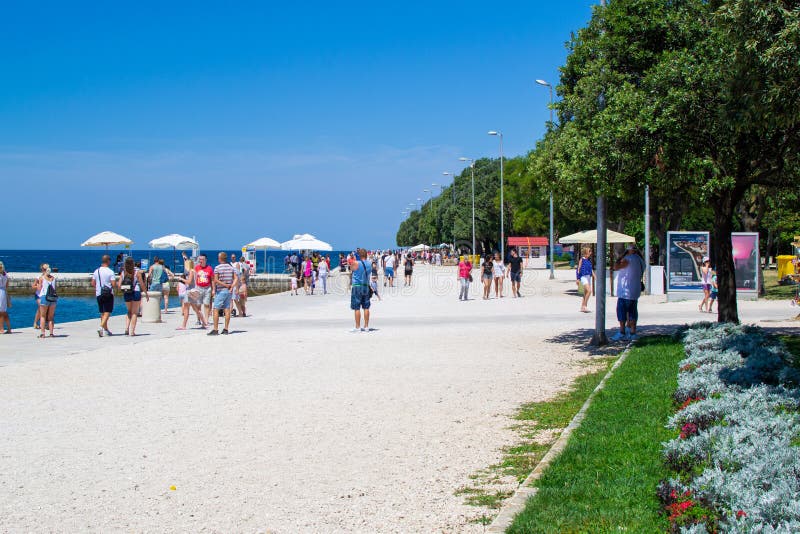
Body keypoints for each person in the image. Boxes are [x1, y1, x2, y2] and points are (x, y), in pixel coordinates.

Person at [612, 245, 646, 342]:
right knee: (633, 311)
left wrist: (620, 257)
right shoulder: (640, 260)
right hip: (635, 290)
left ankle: (622, 332)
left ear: (629, 251)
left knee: (622, 312)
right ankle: (632, 332)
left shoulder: (627, 259)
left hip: (625, 290)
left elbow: (616, 267)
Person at [208, 252, 238, 336]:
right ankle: (226, 329)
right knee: (227, 309)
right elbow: (236, 278)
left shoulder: (217, 268)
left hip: (221, 290)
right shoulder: (231, 268)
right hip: (229, 291)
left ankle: (215, 329)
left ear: (220, 258)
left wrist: (225, 285)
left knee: (216, 309)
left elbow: (215, 280)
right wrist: (231, 286)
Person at [117, 257, 148, 336]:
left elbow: (119, 285)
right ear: (133, 263)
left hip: (127, 293)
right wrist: (146, 294)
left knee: (129, 311)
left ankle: (126, 328)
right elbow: (142, 284)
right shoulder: (137, 272)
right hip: (136, 292)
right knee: (134, 313)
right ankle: (132, 331)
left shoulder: (123, 273)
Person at [174, 259, 207, 330]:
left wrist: (181, 279)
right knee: (196, 309)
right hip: (194, 291)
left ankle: (184, 325)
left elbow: (188, 282)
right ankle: (204, 323)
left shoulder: (191, 271)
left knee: (186, 309)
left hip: (190, 292)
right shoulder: (194, 271)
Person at [91, 254, 116, 337]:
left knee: (102, 312)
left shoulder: (96, 271)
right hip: (108, 294)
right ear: (108, 261)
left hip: (99, 293)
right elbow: (113, 284)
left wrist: (98, 288)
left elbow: (93, 283)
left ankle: (105, 331)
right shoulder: (110, 271)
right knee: (108, 312)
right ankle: (101, 327)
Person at [348, 248, 373, 332]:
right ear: (366, 254)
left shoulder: (356, 263)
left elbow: (351, 269)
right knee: (366, 307)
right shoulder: (370, 263)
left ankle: (358, 327)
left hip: (357, 286)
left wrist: (354, 259)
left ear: (359, 255)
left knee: (357, 307)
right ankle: (366, 326)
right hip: (366, 286)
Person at [35, 263, 58, 338]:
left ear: (44, 270)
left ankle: (43, 334)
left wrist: (38, 285)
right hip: (53, 298)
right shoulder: (53, 278)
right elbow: (55, 288)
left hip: (45, 297)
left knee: (43, 316)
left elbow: (39, 289)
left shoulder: (42, 278)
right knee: (51, 317)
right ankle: (51, 333)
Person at [194, 254, 214, 322]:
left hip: (207, 288)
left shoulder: (209, 268)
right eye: (200, 259)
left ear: (205, 260)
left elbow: (212, 280)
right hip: (198, 288)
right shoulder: (196, 268)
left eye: (202, 259)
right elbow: (194, 278)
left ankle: (206, 320)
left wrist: (213, 289)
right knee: (198, 304)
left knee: (206, 304)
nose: (200, 261)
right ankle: (198, 319)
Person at [576, 246, 595, 313]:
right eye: (589, 251)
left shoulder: (589, 260)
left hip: (588, 277)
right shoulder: (582, 259)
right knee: (589, 291)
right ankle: (584, 306)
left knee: (586, 292)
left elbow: (591, 269)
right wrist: (578, 278)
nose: (591, 253)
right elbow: (578, 269)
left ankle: (582, 307)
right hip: (583, 277)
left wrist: (594, 276)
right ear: (586, 252)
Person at [0, 261, 10, 334]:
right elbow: (7, 286)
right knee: (4, 312)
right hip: (4, 292)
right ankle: (8, 328)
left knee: (1, 313)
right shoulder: (6, 275)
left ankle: (1, 329)